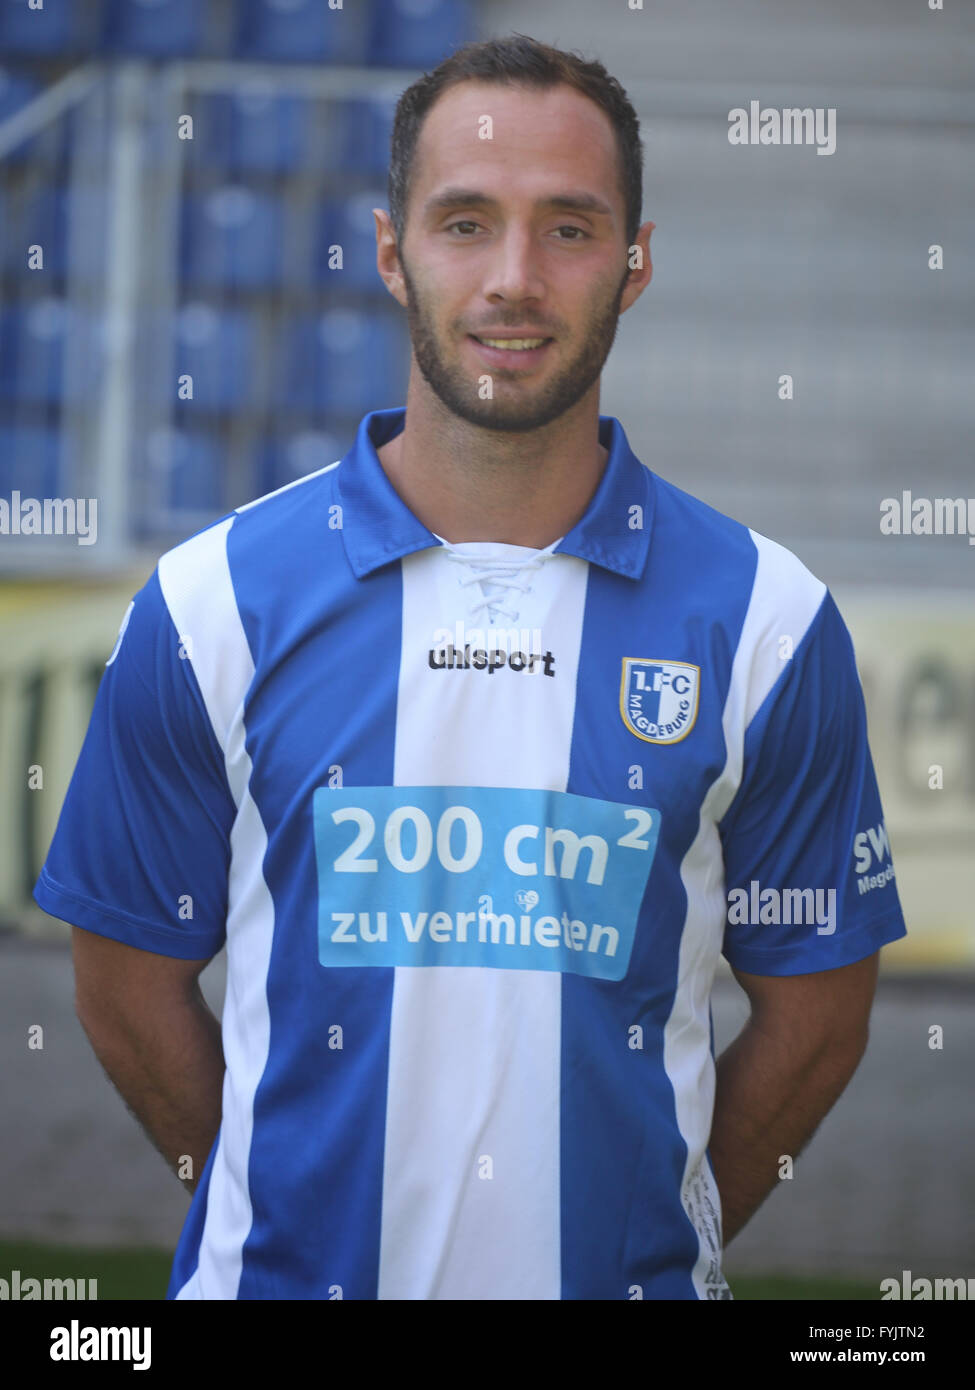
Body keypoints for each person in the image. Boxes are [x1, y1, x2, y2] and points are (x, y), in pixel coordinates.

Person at [34, 34, 907, 1300]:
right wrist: (274, 1197)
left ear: (636, 261)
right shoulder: (209, 601)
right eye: (464, 223)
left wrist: (655, 1230)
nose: (514, 279)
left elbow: (820, 1018)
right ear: (392, 253)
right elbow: (123, 986)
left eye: (569, 228)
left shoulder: (769, 620)